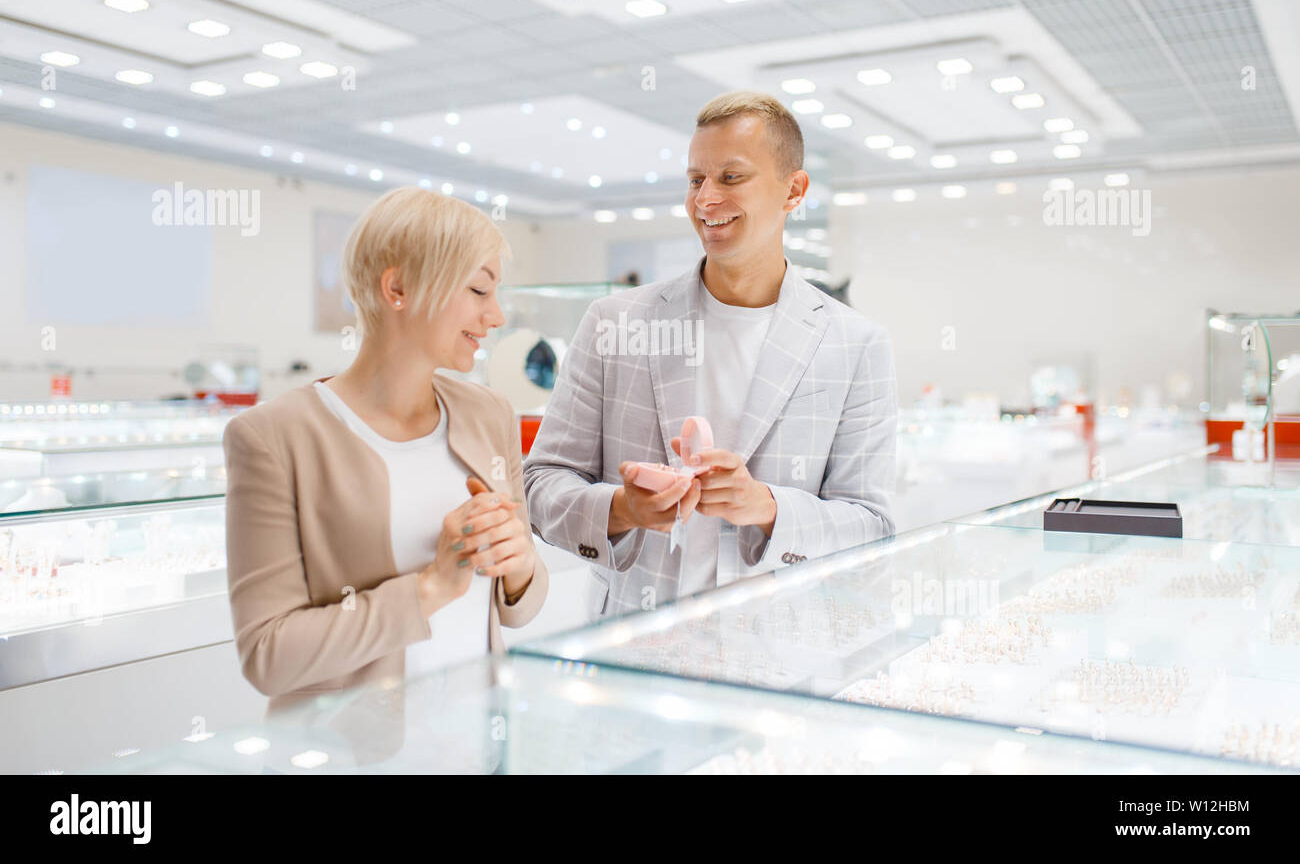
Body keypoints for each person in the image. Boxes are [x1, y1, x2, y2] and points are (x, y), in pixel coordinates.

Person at [524, 91, 896, 618]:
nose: (705, 200)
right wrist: (622, 509)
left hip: (783, 655)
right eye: (696, 179)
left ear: (794, 190)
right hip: (634, 647)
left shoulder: (856, 343)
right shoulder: (615, 323)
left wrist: (765, 508)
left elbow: (872, 526)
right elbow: (540, 484)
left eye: (731, 177)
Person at [224, 187, 547, 709]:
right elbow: (268, 655)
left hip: (479, 744)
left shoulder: (490, 414)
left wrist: (519, 563)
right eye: (479, 291)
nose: (497, 316)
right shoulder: (273, 437)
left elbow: (519, 608)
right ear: (397, 288)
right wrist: (432, 587)